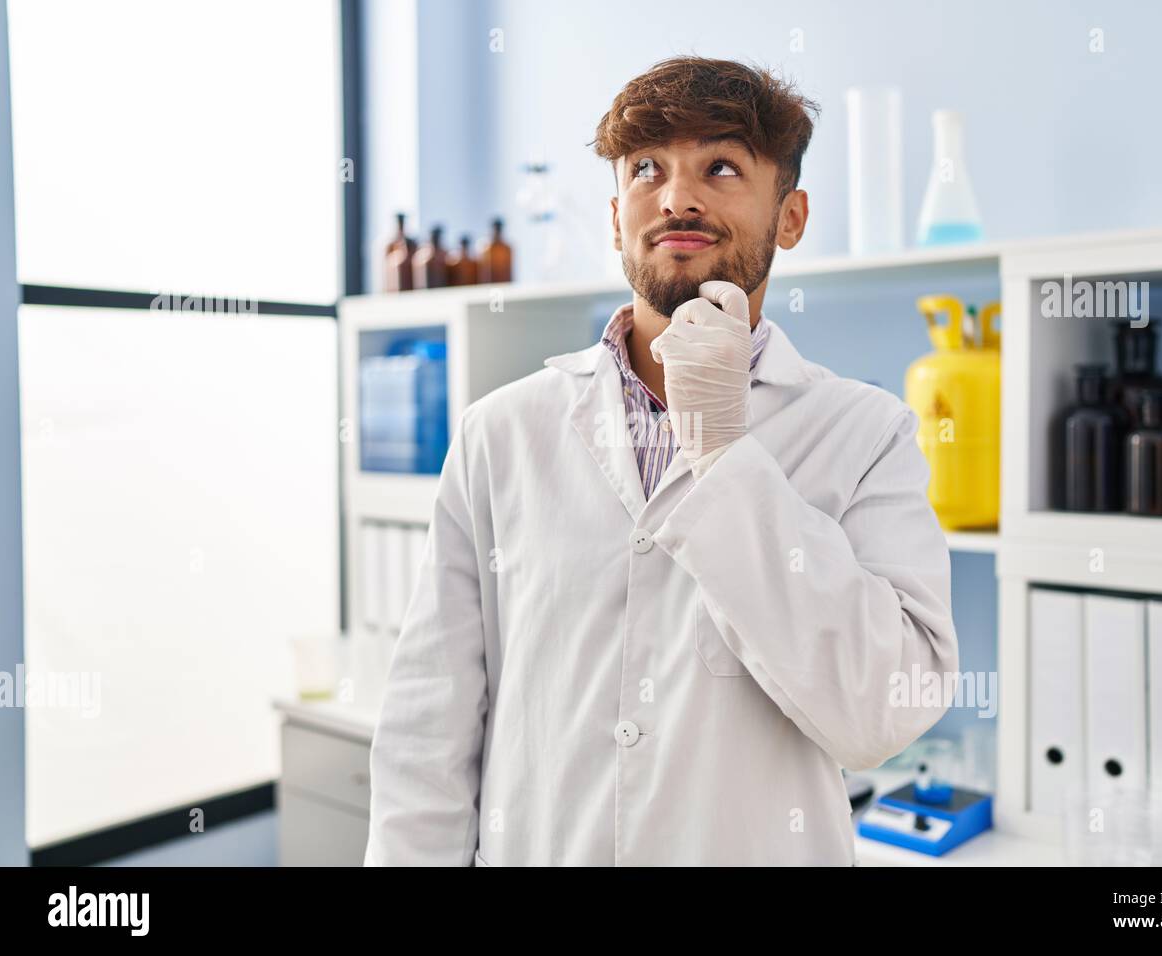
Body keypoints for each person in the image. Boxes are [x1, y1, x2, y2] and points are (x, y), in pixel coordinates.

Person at [364, 55, 958, 867]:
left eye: (721, 166)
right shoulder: (499, 434)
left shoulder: (866, 433)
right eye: (647, 170)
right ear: (616, 218)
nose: (677, 197)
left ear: (790, 216)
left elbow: (885, 716)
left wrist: (725, 453)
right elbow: (426, 737)